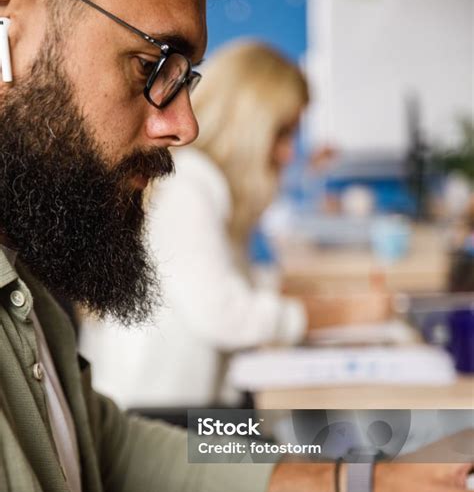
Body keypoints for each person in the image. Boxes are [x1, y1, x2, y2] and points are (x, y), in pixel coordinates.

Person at [0, 0, 473, 492]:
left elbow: (111, 453)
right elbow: (232, 314)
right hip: (182, 411)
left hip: (174, 417)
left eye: (183, 78)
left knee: (354, 435)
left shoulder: (26, 268)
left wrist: (363, 483)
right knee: (324, 429)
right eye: (151, 63)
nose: (184, 121)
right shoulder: (194, 192)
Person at [81, 41, 390, 408]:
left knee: (305, 441)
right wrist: (346, 314)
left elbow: (223, 281)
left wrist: (318, 299)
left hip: (177, 406)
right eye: (283, 133)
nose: (289, 152)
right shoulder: (189, 183)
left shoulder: (202, 180)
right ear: (249, 124)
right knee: (306, 445)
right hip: (157, 415)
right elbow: (226, 315)